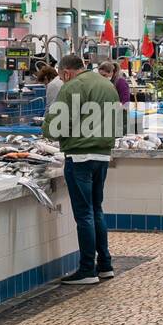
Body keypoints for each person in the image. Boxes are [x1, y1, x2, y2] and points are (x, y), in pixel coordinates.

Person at [43, 55, 121, 286]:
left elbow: (56, 127)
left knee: (84, 213)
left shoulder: (72, 88)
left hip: (79, 157)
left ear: (66, 72)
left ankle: (87, 269)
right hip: (102, 155)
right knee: (96, 209)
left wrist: (45, 127)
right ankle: (104, 265)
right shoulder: (107, 84)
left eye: (60, 76)